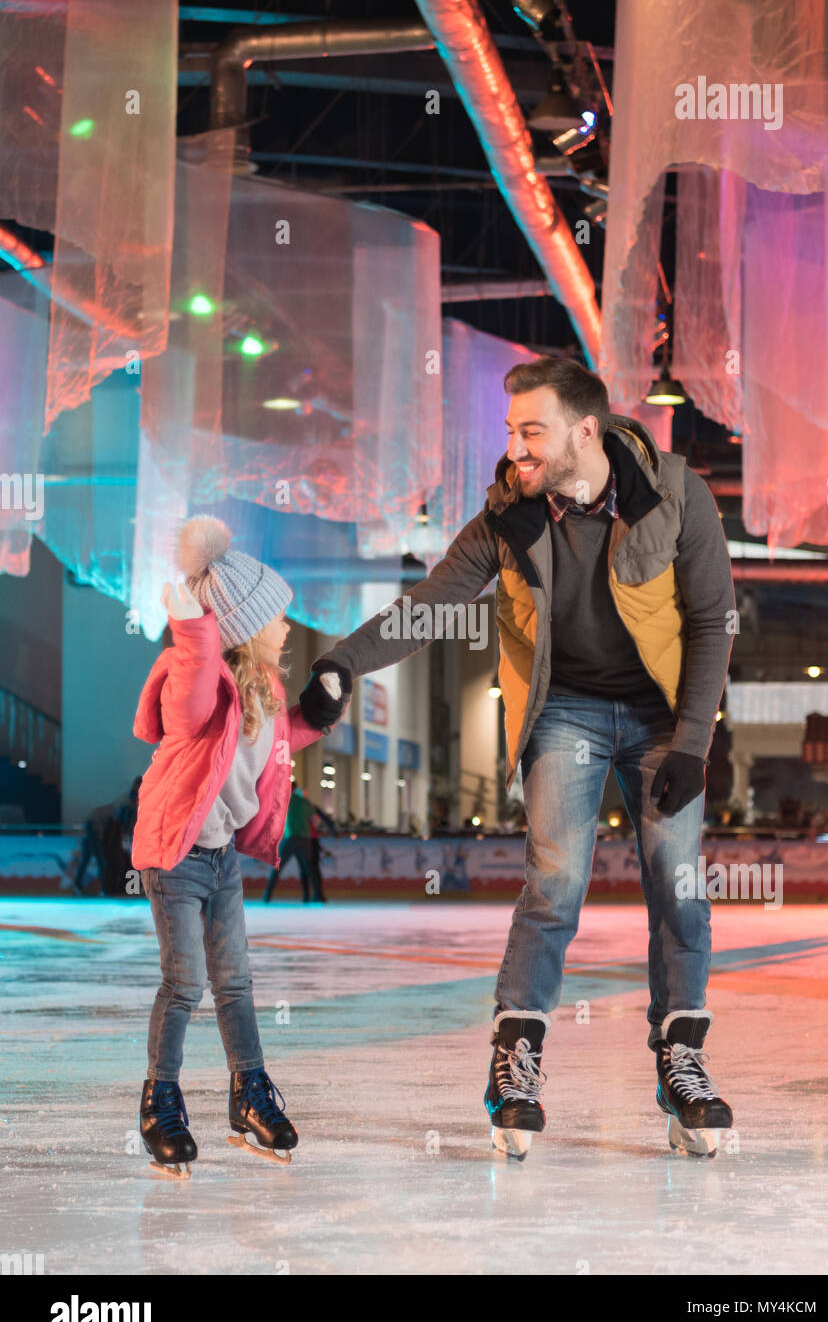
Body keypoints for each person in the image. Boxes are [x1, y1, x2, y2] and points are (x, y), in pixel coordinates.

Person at [299, 358, 735, 1160]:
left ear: (584, 431)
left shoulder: (676, 494)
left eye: (530, 431)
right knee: (556, 877)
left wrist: (694, 742)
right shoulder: (507, 517)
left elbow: (712, 622)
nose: (515, 447)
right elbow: (426, 607)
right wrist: (342, 664)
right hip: (560, 708)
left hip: (658, 712)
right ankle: (516, 1058)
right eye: (509, 431)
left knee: (677, 878)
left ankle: (682, 1057)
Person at [130, 515, 350, 1175]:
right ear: (244, 627)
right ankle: (160, 1098)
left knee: (236, 982)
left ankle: (249, 1092)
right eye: (276, 618)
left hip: (220, 857)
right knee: (186, 980)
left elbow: (271, 742)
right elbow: (198, 692)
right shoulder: (189, 679)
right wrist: (195, 627)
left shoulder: (261, 688)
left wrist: (315, 713)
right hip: (176, 857)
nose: (286, 628)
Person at [262, 785, 337, 903]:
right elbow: (316, 820)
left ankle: (267, 896)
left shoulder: (284, 800)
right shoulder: (305, 802)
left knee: (277, 867)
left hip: (290, 837)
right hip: (304, 838)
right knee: (309, 869)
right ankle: (317, 895)